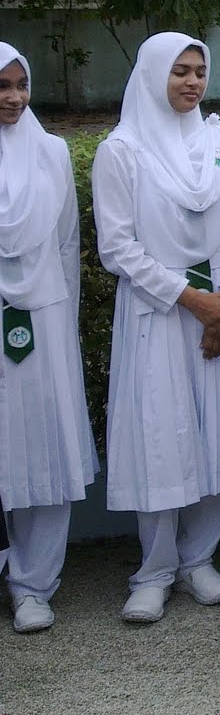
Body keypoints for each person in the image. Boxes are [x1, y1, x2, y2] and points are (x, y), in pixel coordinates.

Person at [93, 33, 220, 624]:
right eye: (178, 72)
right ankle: (155, 569)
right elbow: (117, 247)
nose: (192, 82)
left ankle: (200, 559)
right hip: (159, 313)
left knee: (216, 430)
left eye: (199, 71)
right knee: (161, 437)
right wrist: (191, 298)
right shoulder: (121, 151)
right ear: (150, 76)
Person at [0, 46, 98, 633]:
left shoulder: (52, 153)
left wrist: (59, 321)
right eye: (1, 87)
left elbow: (66, 245)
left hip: (42, 321)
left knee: (40, 445)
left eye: (21, 84)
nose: (13, 97)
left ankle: (35, 584)